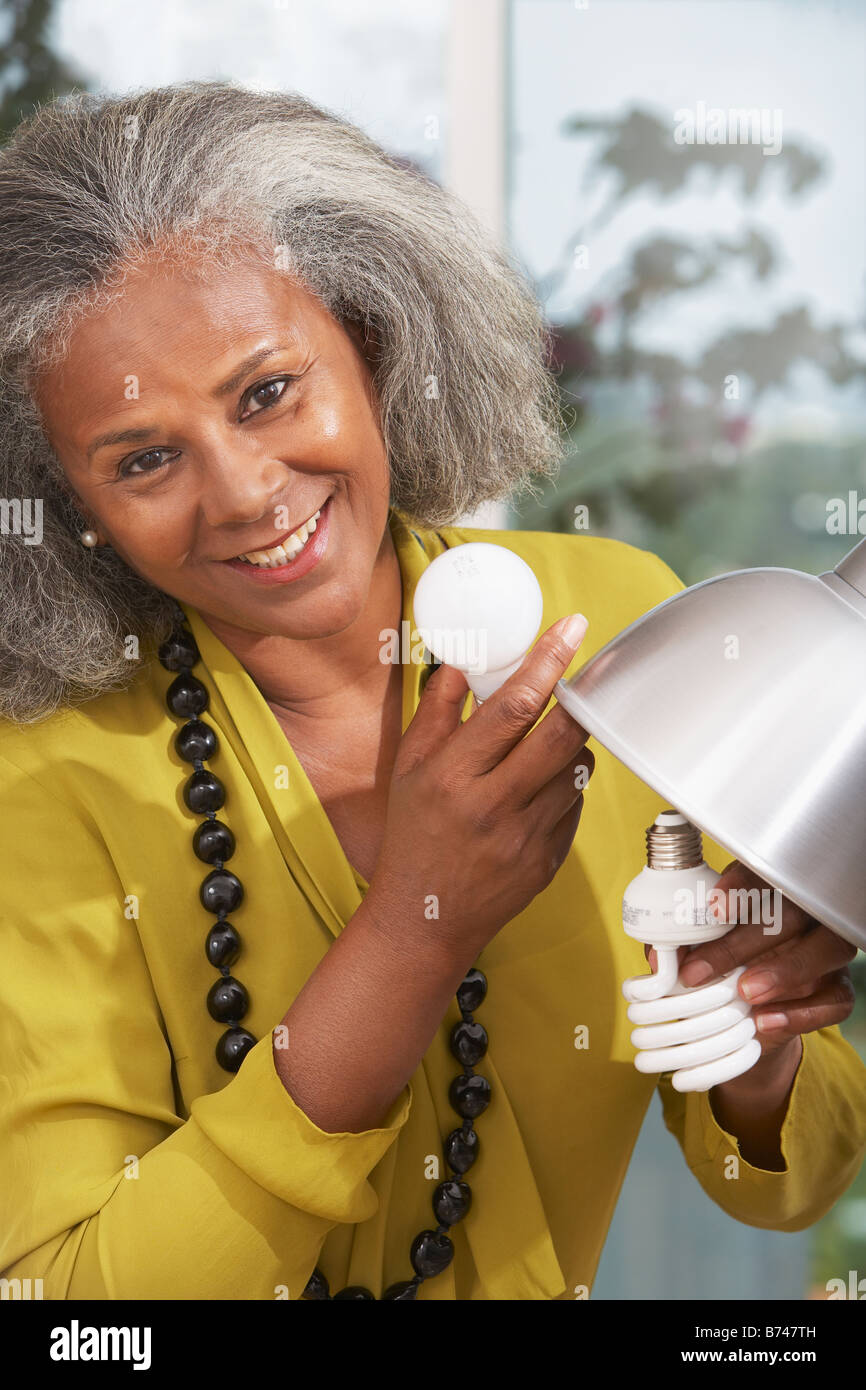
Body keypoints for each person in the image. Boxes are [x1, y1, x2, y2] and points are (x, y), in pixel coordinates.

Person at [0, 82, 863, 1302]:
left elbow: (790, 1180)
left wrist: (746, 1044)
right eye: (144, 460)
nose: (246, 492)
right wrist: (416, 928)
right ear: (70, 510)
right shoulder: (39, 775)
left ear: (376, 339)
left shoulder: (617, 626)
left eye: (266, 392)